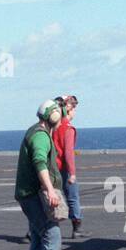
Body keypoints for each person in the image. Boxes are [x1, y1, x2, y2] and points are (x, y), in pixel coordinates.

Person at [16, 99, 66, 250]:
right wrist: (50, 190)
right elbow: (39, 162)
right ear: (53, 116)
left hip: (28, 194)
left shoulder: (36, 131)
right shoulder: (41, 137)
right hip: (34, 195)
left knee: (38, 236)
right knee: (51, 234)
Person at [51, 95, 86, 239]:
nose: (75, 111)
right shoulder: (67, 129)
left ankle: (33, 230)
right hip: (63, 169)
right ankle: (76, 228)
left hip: (51, 168)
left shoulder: (52, 127)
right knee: (72, 197)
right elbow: (68, 153)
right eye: (73, 108)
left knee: (49, 198)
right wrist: (72, 173)